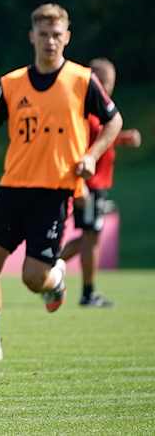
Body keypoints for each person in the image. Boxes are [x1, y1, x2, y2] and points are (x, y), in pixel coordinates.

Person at [0, 3, 122, 364]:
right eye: (43, 34)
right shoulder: (12, 84)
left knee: (33, 277)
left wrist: (91, 155)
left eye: (56, 34)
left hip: (54, 190)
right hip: (13, 185)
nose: (50, 41)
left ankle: (55, 277)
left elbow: (114, 121)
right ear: (32, 36)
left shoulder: (81, 80)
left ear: (67, 37)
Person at [59, 58, 142, 307]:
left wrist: (122, 139)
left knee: (90, 235)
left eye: (110, 83)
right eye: (105, 82)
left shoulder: (99, 108)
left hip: (99, 181)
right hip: (89, 182)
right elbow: (79, 145)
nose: (107, 88)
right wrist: (81, 182)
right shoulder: (87, 109)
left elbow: (101, 140)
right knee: (90, 236)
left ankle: (52, 267)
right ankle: (82, 289)